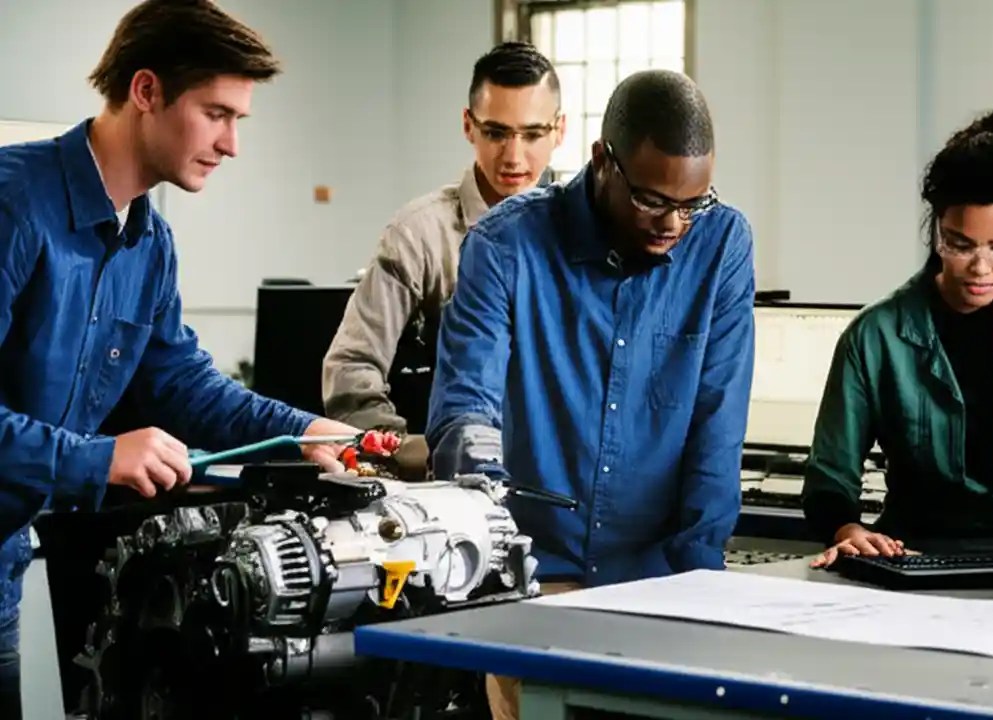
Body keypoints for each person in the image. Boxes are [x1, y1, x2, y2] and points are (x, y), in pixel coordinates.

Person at [0, 1, 361, 714]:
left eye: (239, 121)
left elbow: (182, 385)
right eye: (217, 113)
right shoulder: (13, 203)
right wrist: (94, 459)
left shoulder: (152, 243)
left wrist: (307, 433)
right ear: (146, 92)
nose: (232, 144)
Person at [426, 69, 755, 720]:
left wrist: (697, 592)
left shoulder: (722, 243)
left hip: (662, 584)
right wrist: (502, 558)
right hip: (534, 580)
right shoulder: (507, 244)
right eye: (653, 201)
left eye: (693, 203)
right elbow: (466, 409)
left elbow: (718, 425)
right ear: (603, 160)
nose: (675, 224)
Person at [803, 108, 993, 567]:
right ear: (935, 232)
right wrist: (848, 529)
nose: (982, 268)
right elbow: (830, 479)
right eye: (960, 244)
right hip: (921, 565)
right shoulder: (875, 337)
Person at [322, 41, 564, 434]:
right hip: (450, 469)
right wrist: (400, 452)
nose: (514, 157)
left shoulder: (585, 234)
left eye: (533, 134)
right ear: (469, 126)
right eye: (496, 133)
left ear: (559, 131)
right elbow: (352, 366)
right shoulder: (418, 234)